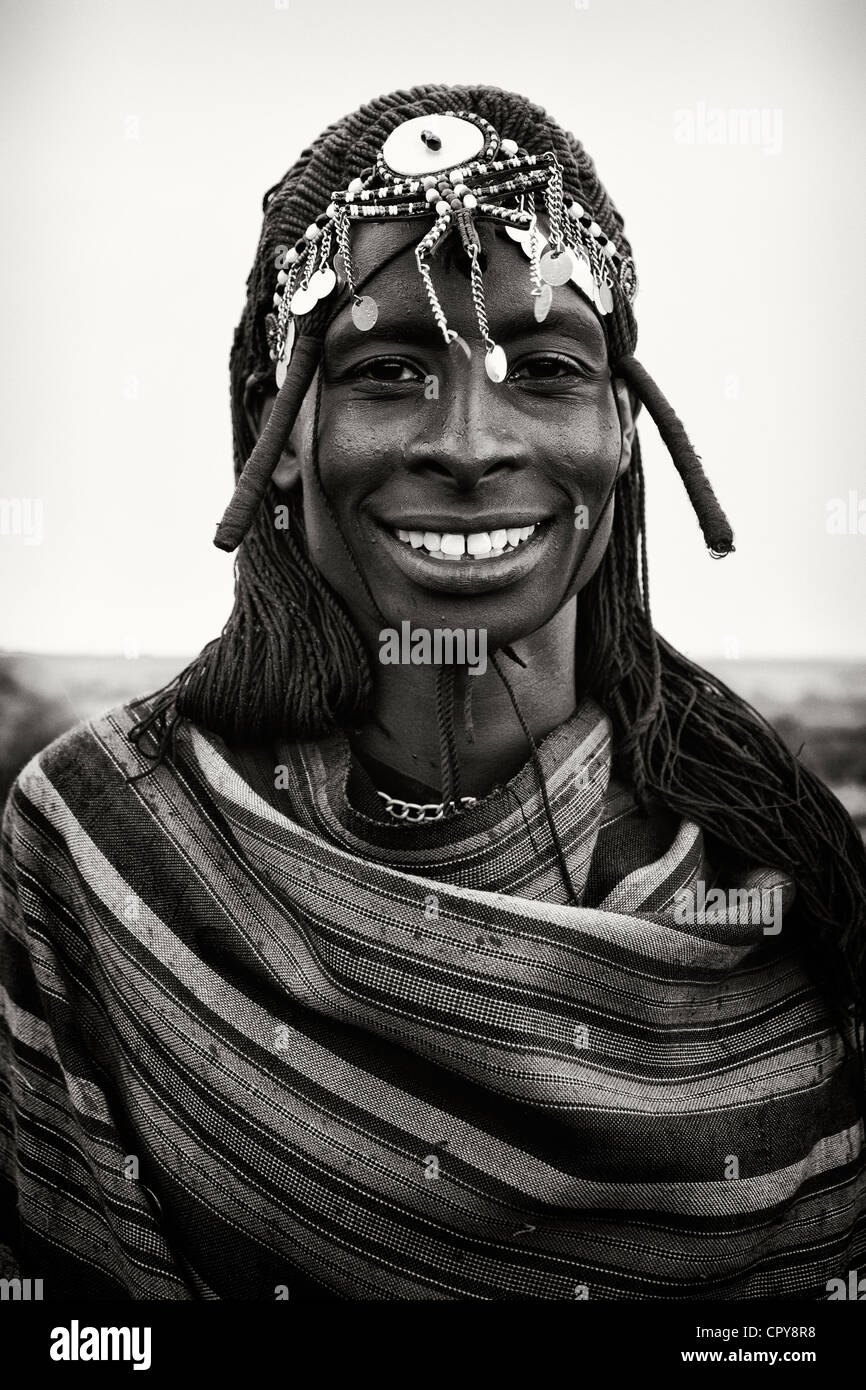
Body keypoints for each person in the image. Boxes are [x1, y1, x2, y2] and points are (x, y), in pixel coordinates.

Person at [2, 84, 865, 1301]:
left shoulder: (776, 866)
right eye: (389, 369)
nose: (467, 444)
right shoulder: (103, 838)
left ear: (621, 424)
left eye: (546, 367)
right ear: (280, 433)